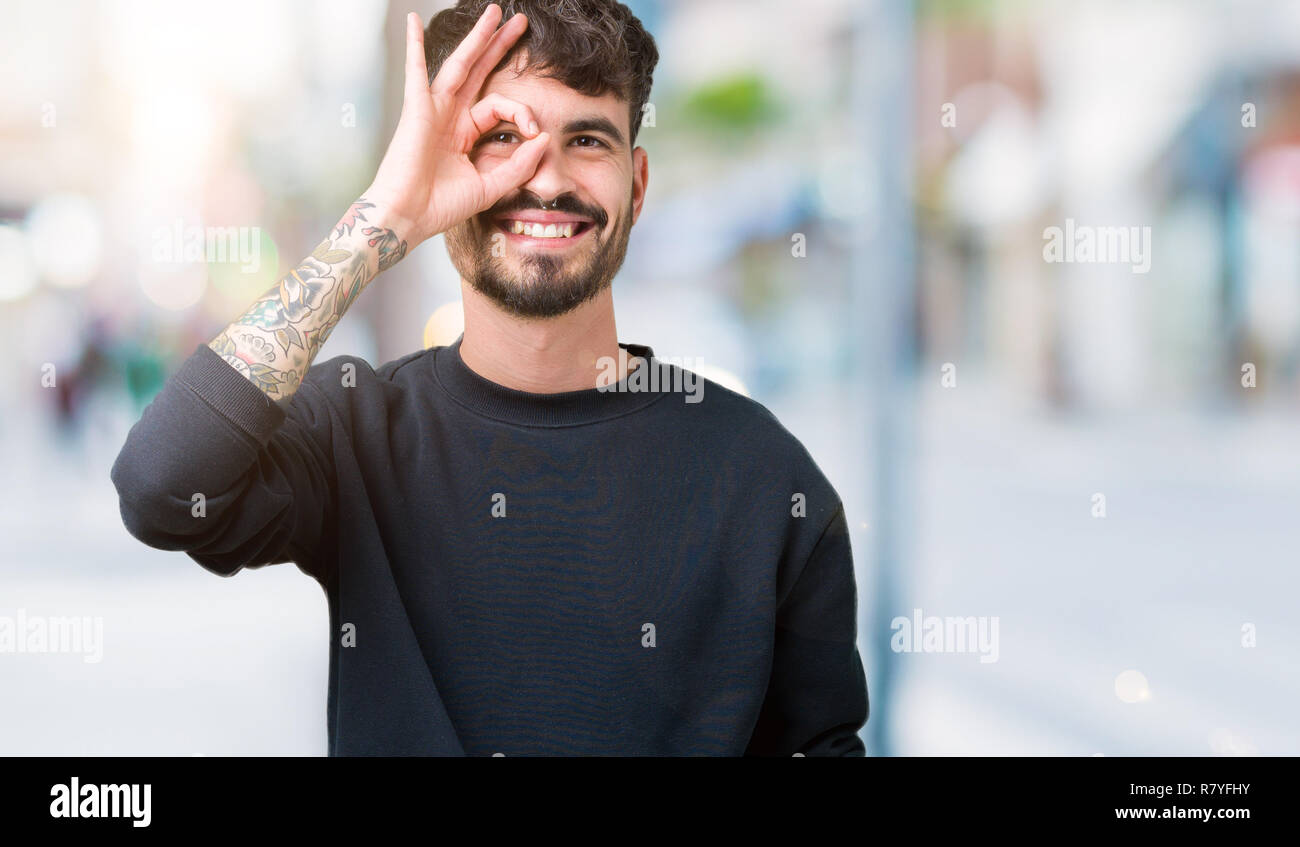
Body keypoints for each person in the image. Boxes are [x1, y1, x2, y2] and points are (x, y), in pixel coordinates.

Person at [110, 0, 868, 756]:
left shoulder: (764, 476)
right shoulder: (355, 432)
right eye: (502, 137)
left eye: (587, 139)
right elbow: (160, 487)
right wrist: (385, 218)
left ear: (636, 187)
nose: (545, 181)